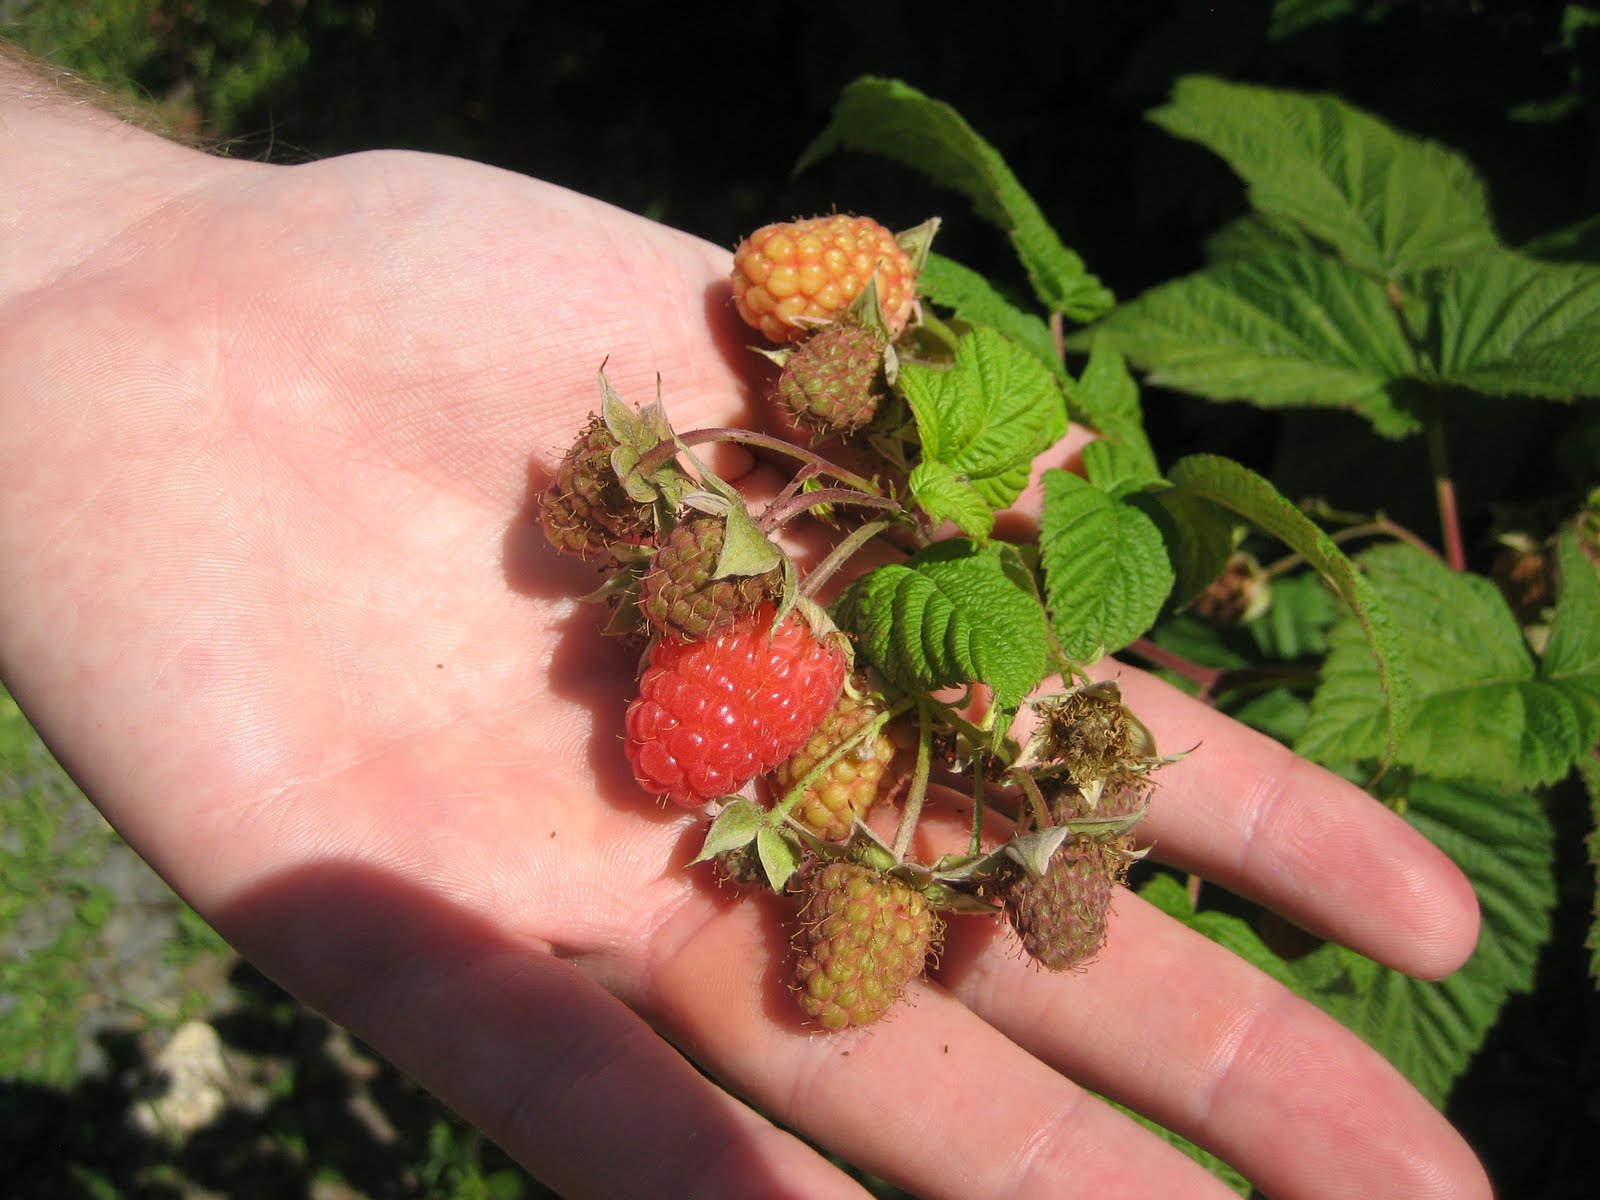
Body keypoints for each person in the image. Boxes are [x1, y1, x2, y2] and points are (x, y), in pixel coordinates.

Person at [0, 44, 1491, 1199]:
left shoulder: (867, 585)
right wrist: (106, 253)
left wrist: (92, 247)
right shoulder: (801, 548)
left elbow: (940, 594)